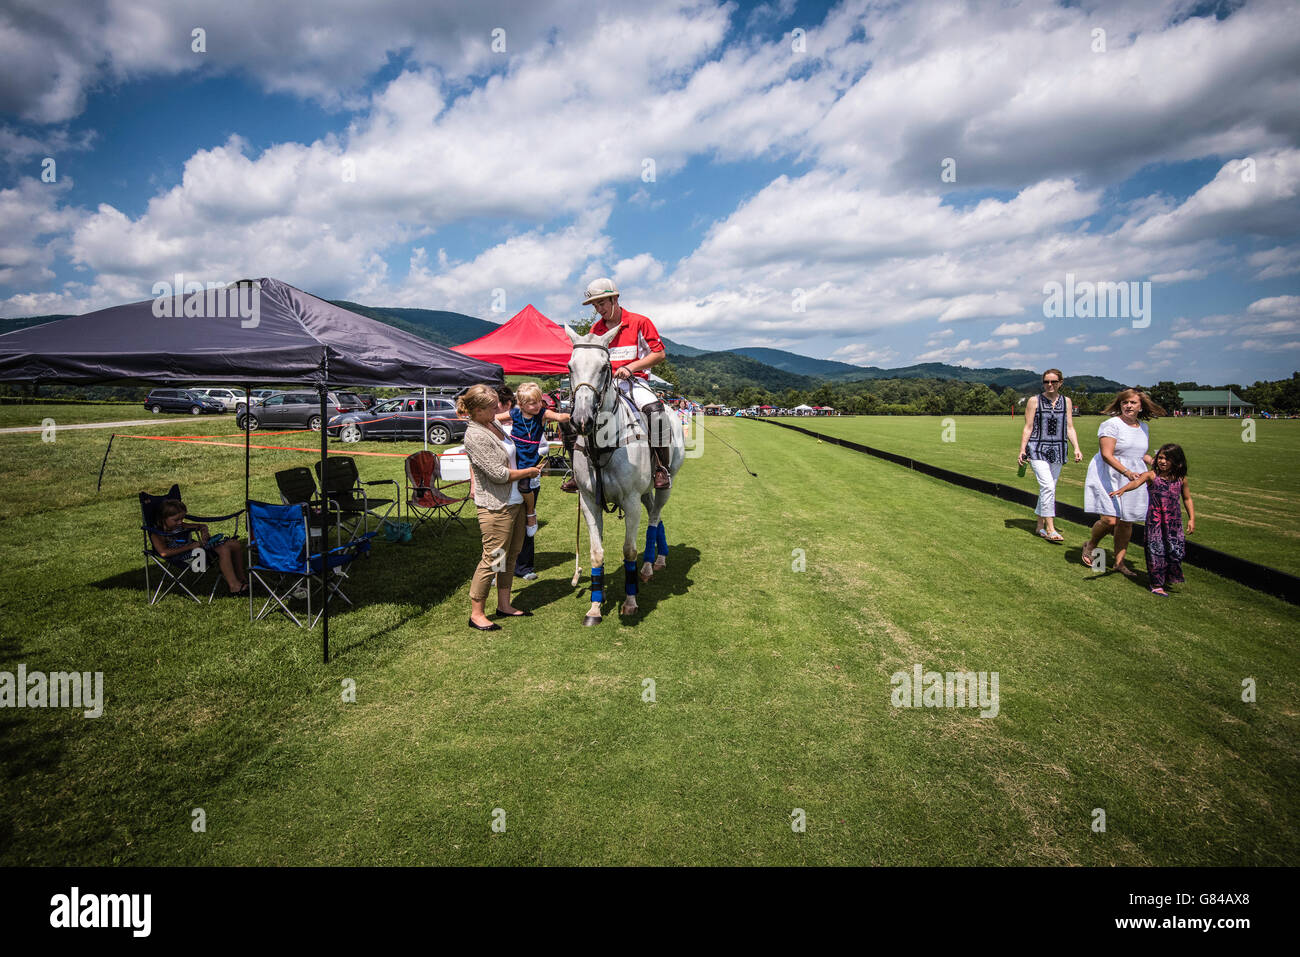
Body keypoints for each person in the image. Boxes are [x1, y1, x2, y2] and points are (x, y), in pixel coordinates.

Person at [560, 277, 672, 492]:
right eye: (595, 305)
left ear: (615, 298)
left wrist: (631, 367)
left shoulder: (640, 322)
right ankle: (577, 471)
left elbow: (659, 354)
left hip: (634, 381)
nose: (598, 309)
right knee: (572, 414)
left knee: (655, 410)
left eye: (601, 303)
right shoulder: (596, 329)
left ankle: (660, 467)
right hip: (605, 385)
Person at [459, 384, 542, 631]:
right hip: (497, 505)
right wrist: (529, 471)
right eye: (492, 406)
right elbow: (497, 474)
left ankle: (504, 605)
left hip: (515, 501)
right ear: (477, 410)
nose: (498, 408)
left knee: (510, 556)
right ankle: (477, 613)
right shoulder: (474, 434)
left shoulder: (492, 424)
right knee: (493, 558)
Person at [1081, 388, 1166, 576]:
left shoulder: (1143, 427)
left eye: (1133, 402)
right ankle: (1091, 544)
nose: (1128, 406)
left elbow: (1139, 453)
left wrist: (1156, 463)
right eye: (1125, 402)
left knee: (1126, 521)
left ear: (1141, 406)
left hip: (1135, 475)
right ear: (1120, 405)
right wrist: (1126, 471)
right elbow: (1106, 454)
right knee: (1110, 520)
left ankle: (1119, 563)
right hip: (1109, 474)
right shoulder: (1111, 425)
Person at [495, 381, 570, 581]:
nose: (537, 406)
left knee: (523, 519)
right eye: (531, 403)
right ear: (519, 403)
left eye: (539, 402)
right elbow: (493, 418)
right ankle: (496, 571)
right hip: (511, 471)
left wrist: (574, 415)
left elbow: (560, 417)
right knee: (502, 528)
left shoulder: (542, 415)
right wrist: (477, 419)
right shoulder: (513, 416)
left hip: (529, 467)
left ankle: (524, 566)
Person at [1109, 443, 1195, 596]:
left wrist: (1191, 519)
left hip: (1174, 522)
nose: (1163, 461)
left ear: (1177, 461)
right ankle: (1156, 583)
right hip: (1155, 521)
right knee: (1155, 551)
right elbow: (1136, 482)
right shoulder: (1152, 476)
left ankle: (1168, 575)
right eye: (1161, 458)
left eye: (1167, 459)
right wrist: (1122, 489)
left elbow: (1187, 498)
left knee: (1175, 551)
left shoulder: (1181, 479)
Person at [1017, 369, 1083, 542]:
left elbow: (1069, 426)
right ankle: (1051, 528)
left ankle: (1039, 526)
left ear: (1061, 382)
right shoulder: (1034, 401)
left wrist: (1076, 447)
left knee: (1048, 488)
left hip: (1059, 450)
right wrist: (1022, 449)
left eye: (1053, 382)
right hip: (1037, 448)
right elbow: (1028, 427)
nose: (1049, 385)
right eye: (1046, 382)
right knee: (1047, 486)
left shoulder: (1066, 401)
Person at [150, 499, 247, 595]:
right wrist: (190, 547)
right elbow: (164, 553)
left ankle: (242, 579)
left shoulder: (180, 526)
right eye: (176, 520)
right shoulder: (157, 534)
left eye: (182, 519)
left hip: (196, 550)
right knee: (223, 549)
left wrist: (204, 532)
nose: (180, 522)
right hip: (184, 557)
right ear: (163, 518)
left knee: (235, 544)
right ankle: (234, 586)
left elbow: (202, 526)